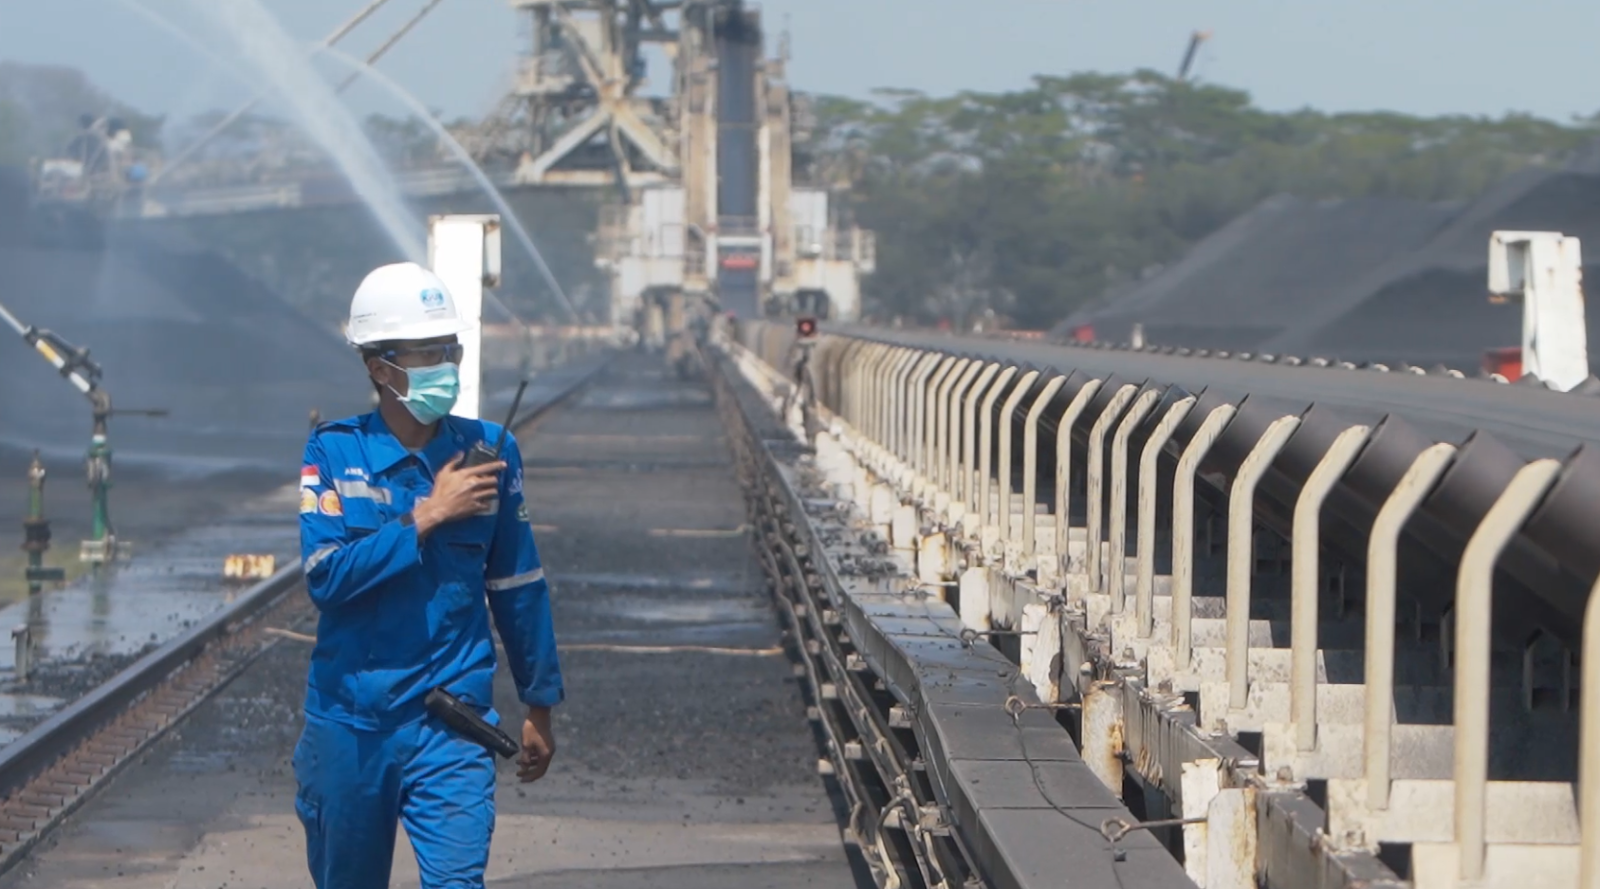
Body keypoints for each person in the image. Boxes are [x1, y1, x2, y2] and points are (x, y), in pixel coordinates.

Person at [294, 261, 562, 889]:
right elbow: (326, 579)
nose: (445, 364)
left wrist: (539, 705)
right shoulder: (333, 453)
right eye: (426, 352)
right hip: (352, 727)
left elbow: (518, 585)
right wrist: (430, 516)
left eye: (450, 348)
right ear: (378, 366)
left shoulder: (491, 453)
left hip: (453, 723)